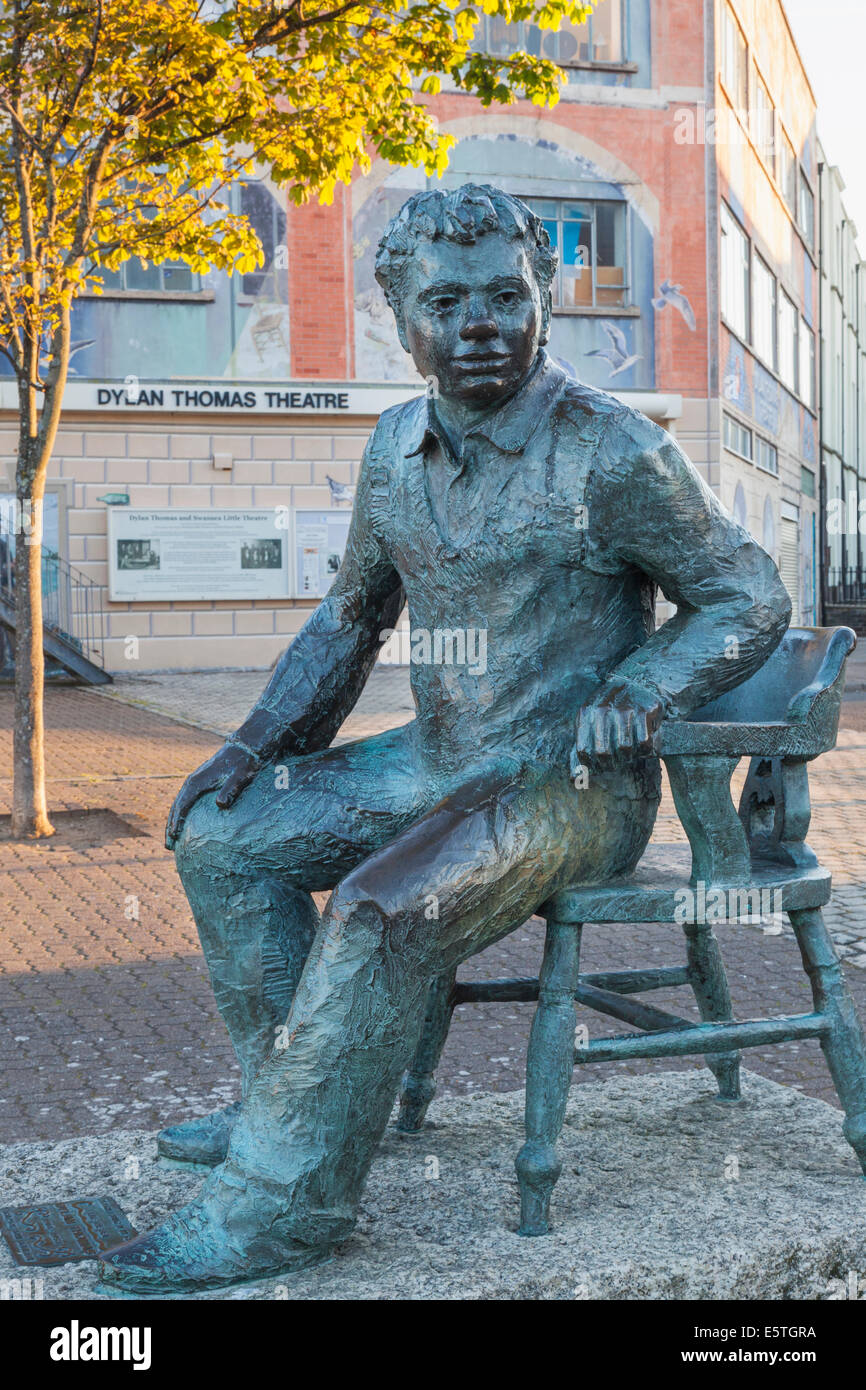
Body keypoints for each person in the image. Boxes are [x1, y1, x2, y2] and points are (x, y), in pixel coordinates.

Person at [100, 184, 790, 1292]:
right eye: (448, 301)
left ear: (545, 300)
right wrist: (251, 746)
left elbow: (747, 593)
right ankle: (281, 1101)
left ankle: (286, 1205)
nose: (479, 324)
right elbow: (348, 621)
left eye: (505, 298)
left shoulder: (612, 452)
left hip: (563, 787)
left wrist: (643, 685)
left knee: (379, 910)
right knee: (224, 838)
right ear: (400, 317)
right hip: (428, 759)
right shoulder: (391, 452)